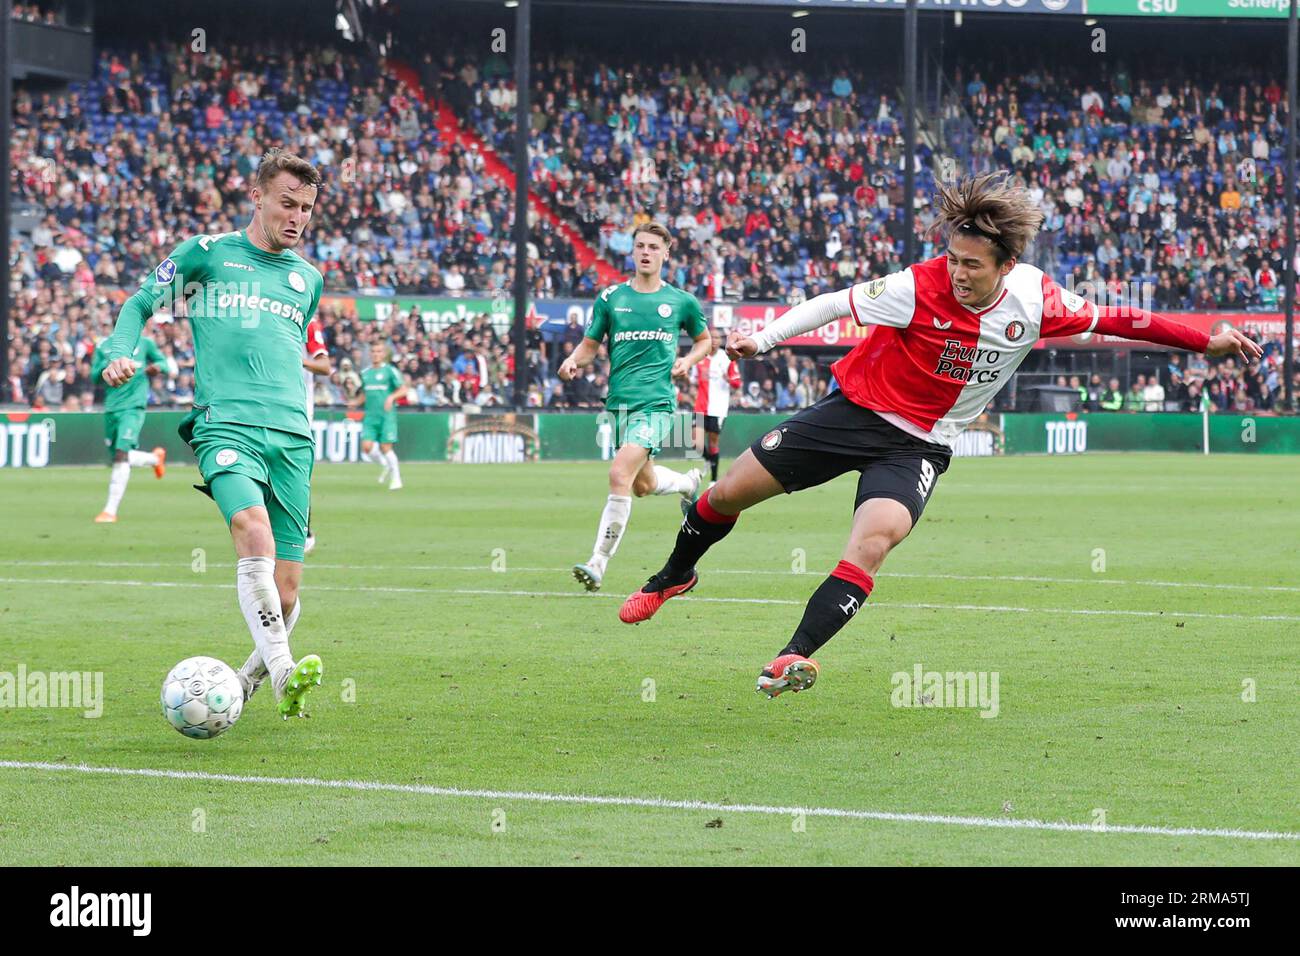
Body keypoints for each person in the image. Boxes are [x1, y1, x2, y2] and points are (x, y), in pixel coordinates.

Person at [617, 171, 1260, 698]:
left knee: (875, 540)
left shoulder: (1037, 302)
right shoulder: (916, 286)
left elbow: (1126, 320)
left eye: (972, 265)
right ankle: (674, 575)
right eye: (953, 258)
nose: (957, 272)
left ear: (1007, 264)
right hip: (855, 412)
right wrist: (764, 337)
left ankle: (790, 658)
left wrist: (1205, 338)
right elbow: (835, 303)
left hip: (921, 442)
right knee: (727, 494)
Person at [100, 148, 330, 720]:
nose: (297, 217)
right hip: (225, 421)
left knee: (288, 589)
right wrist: (120, 352)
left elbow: (296, 348)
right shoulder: (208, 255)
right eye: (287, 203)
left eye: (306, 208)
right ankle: (282, 671)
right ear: (257, 197)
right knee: (249, 527)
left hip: (293, 437)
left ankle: (248, 681)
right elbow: (141, 302)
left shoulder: (308, 278)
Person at [561, 223, 711, 592]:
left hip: (656, 405)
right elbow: (590, 344)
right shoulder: (611, 298)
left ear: (666, 253)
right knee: (641, 485)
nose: (646, 252)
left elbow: (705, 340)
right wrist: (573, 360)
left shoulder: (681, 301)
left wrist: (687, 362)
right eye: (640, 246)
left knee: (618, 474)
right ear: (633, 251)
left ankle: (598, 562)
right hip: (619, 406)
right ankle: (689, 484)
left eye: (653, 247)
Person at [89, 333, 167, 522]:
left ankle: (110, 511)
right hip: (112, 408)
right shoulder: (104, 345)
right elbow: (94, 377)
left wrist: (156, 368)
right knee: (117, 458)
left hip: (133, 406)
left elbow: (164, 363)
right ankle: (154, 459)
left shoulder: (145, 342)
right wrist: (108, 366)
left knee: (121, 454)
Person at [692, 328, 742, 485]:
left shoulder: (726, 358)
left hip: (718, 407)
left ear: (720, 341)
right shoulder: (699, 355)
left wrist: (729, 379)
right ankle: (707, 460)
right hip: (701, 406)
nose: (713, 340)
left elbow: (737, 382)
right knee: (695, 442)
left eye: (716, 337)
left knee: (713, 442)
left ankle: (713, 480)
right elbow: (693, 379)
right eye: (711, 337)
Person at [356, 341, 408, 490]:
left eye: (379, 351)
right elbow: (365, 395)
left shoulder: (390, 371)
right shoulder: (366, 373)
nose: (376, 354)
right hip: (370, 416)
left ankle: (396, 478)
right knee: (366, 447)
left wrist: (391, 397)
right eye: (373, 351)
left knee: (386, 447)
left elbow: (404, 389)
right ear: (370, 353)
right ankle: (385, 464)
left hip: (386, 416)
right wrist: (354, 402)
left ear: (383, 354)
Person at [302, 315, 332, 553]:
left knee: (293, 475)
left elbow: (325, 366)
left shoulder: (308, 322)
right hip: (263, 406)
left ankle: (304, 531)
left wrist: (297, 360)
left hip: (297, 412)